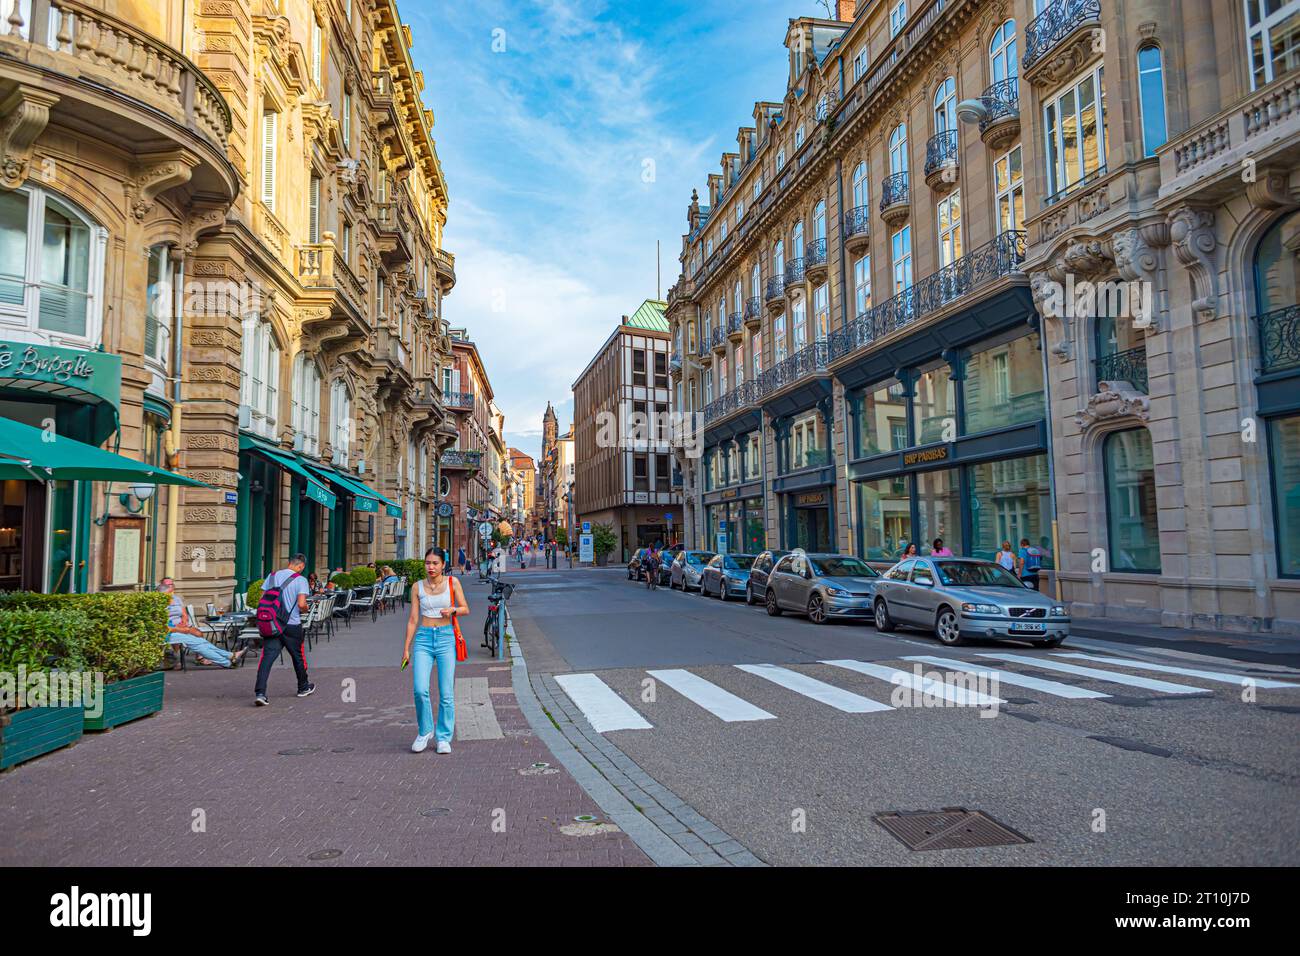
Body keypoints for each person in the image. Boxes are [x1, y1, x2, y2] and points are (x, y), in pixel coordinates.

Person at [402, 547, 469, 754]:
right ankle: (425, 731)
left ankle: (443, 737)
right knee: (420, 689)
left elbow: (465, 608)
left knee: (446, 692)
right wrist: (407, 648)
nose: (430, 567)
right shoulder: (417, 587)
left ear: (443, 565)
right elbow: (413, 619)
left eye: (435, 563)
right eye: (427, 563)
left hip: (446, 637)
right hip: (423, 638)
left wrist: (453, 609)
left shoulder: (452, 583)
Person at [254, 553, 314, 706]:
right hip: (291, 624)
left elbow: (262, 600)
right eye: (302, 568)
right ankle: (303, 687)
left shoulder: (272, 576)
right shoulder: (300, 580)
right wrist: (307, 609)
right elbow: (301, 604)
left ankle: (260, 693)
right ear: (300, 566)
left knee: (266, 659)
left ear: (289, 563)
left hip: (273, 624)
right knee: (298, 657)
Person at [159, 579, 246, 668]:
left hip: (174, 631)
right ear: (163, 595)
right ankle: (227, 663)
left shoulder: (167, 602)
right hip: (167, 635)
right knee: (198, 645)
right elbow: (166, 627)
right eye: (170, 594)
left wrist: (183, 627)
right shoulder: (159, 606)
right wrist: (183, 630)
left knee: (201, 641)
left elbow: (172, 623)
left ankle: (230, 656)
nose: (172, 596)